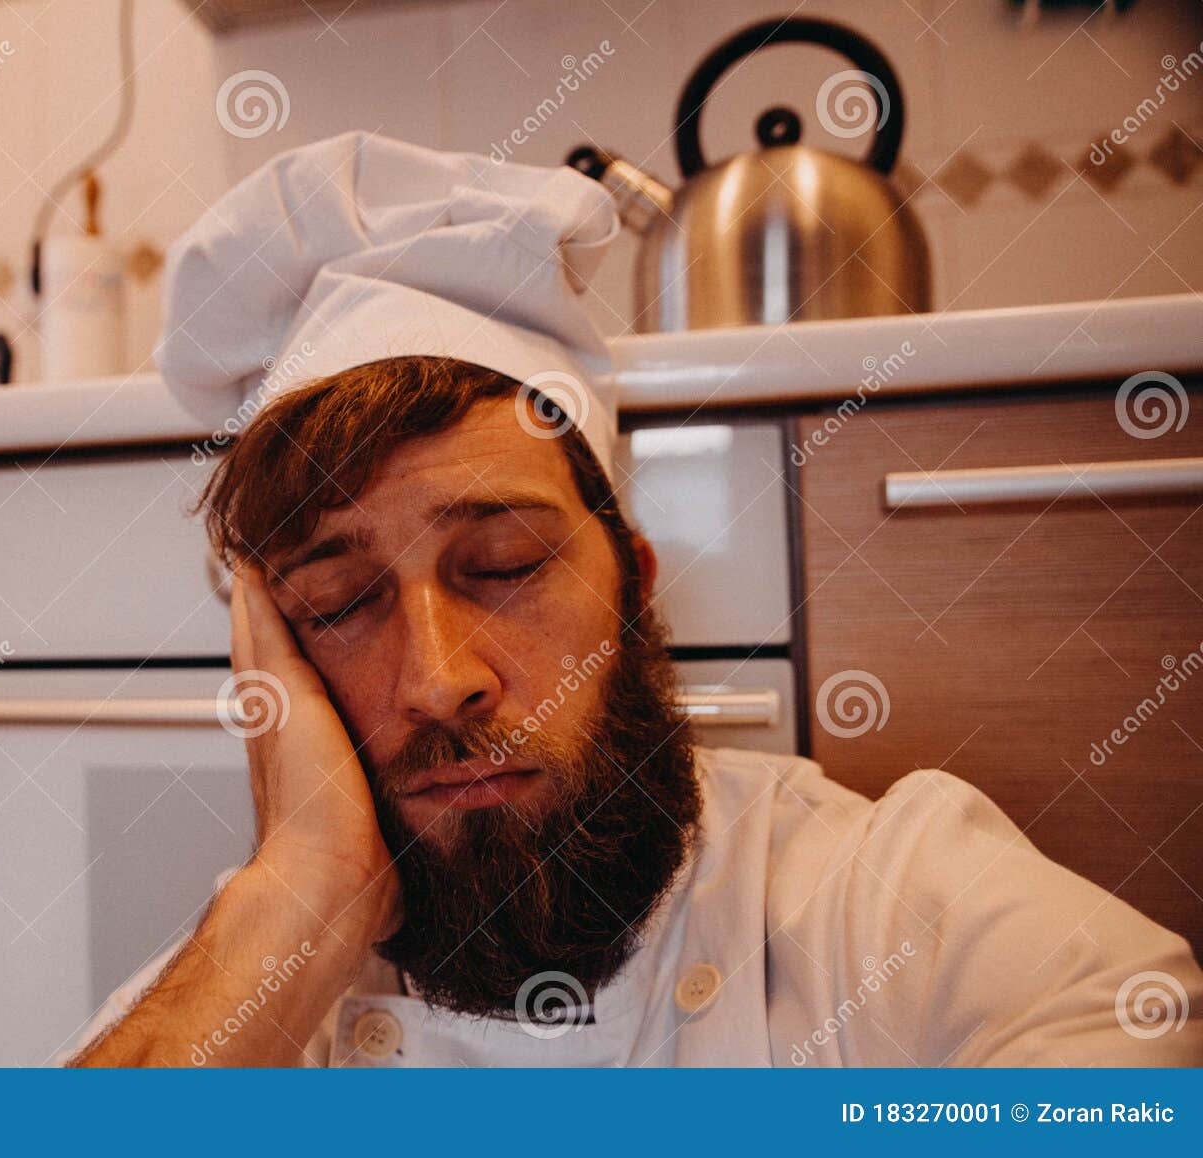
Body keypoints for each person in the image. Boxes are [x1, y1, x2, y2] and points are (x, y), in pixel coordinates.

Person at [63, 132, 1203, 1067]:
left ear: (633, 590)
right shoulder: (258, 993)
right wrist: (302, 896)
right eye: (342, 601)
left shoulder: (861, 902)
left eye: (502, 566)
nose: (438, 674)